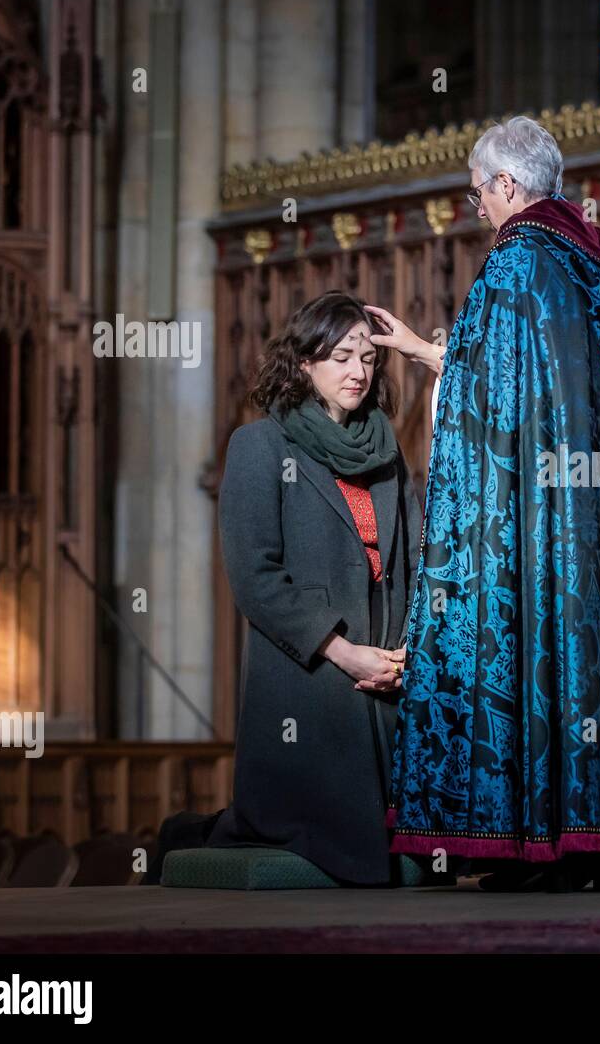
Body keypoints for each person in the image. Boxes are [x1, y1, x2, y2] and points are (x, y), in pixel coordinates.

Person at [368, 117, 600, 892]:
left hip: (533, 514)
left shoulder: (515, 259)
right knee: (587, 654)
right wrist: (425, 349)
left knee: (520, 635)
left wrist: (443, 378)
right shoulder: (598, 262)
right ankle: (588, 841)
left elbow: (491, 400)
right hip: (593, 513)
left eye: (479, 191)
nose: (477, 206)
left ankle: (531, 841)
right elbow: (557, 383)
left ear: (507, 185)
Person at [196, 290, 423, 885]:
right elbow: (255, 578)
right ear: (305, 364)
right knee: (345, 847)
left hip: (385, 672)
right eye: (342, 357)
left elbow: (417, 563)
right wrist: (344, 653)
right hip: (311, 678)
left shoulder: (385, 451)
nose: (358, 371)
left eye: (368, 359)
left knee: (412, 860)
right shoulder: (259, 445)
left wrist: (403, 653)